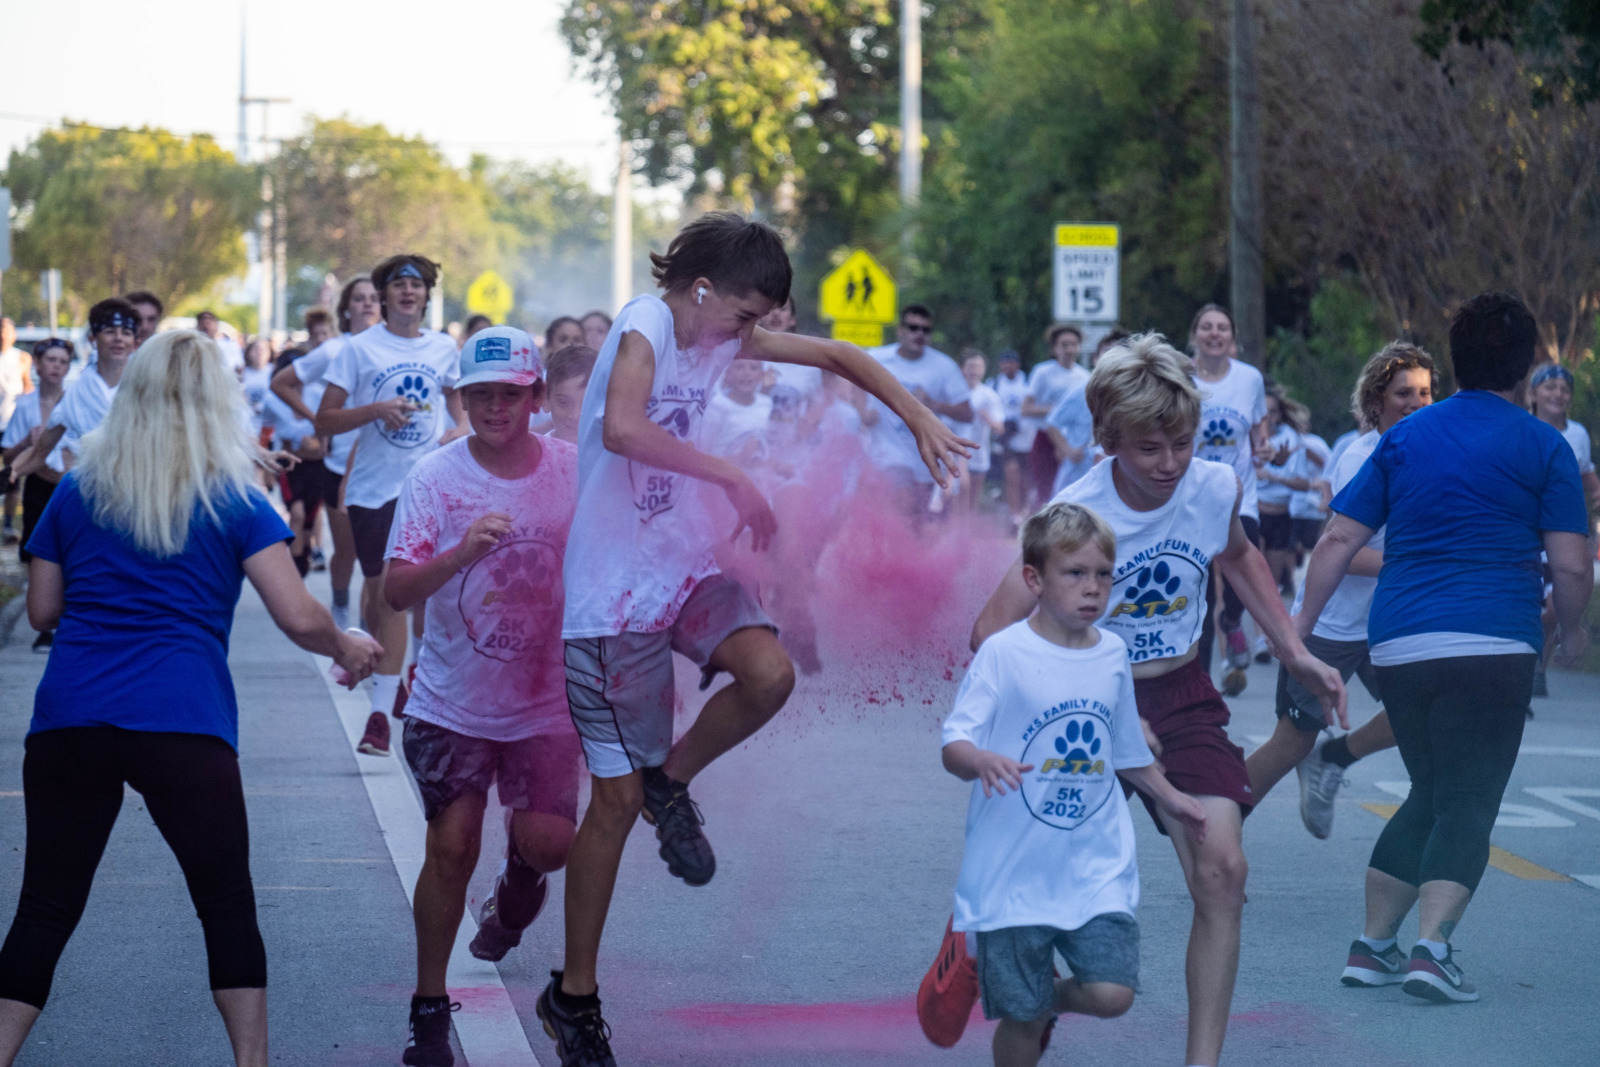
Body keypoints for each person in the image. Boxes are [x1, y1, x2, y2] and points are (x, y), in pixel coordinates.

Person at [540, 213, 969, 1067]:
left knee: (769, 675)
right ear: (702, 291)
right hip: (609, 592)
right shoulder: (648, 323)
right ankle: (574, 997)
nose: (753, 335)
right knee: (611, 808)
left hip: (682, 566)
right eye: (746, 315)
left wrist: (917, 415)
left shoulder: (716, 336)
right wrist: (732, 473)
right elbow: (624, 428)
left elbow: (841, 357)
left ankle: (673, 779)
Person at [955, 334, 1345, 1067]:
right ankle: (1017, 984)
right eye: (1149, 448)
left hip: (1182, 691)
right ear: (1107, 440)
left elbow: (1237, 553)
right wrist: (1093, 701)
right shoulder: (1075, 511)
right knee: (1040, 902)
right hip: (1079, 703)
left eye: (1183, 442)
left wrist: (1294, 649)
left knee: (1223, 868)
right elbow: (989, 633)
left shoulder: (1211, 485)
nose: (1170, 463)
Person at [0, 330, 382, 1067]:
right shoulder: (234, 496)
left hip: (72, 718)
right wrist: (347, 645)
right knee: (226, 905)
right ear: (218, 401)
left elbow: (43, 611)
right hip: (182, 719)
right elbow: (297, 613)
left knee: (43, 910)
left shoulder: (79, 489)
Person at [1299, 292, 1591, 1003]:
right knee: (1469, 799)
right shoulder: (1545, 445)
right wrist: (1573, 627)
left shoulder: (1407, 437)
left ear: (1454, 360)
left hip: (1399, 641)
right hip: (1493, 640)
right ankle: (1432, 949)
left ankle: (1372, 946)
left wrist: (1298, 632)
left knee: (1429, 791)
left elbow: (1339, 537)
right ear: (1524, 369)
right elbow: (1573, 565)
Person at [925, 501, 1207, 1063]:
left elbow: (1125, 749)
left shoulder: (1112, 655)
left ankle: (1034, 997)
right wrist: (980, 760)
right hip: (1011, 873)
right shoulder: (1005, 654)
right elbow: (954, 745)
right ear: (1034, 579)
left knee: (1112, 993)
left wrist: (1173, 799)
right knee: (1023, 1025)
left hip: (1092, 863)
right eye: (1075, 573)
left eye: (1103, 574)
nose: (1093, 588)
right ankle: (1011, 993)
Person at [381, 327, 581, 1067]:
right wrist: (461, 551)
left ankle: (520, 879)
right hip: (452, 700)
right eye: (480, 394)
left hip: (546, 706)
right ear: (461, 399)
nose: (496, 407)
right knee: (452, 844)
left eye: (511, 393)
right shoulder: (435, 478)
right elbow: (396, 588)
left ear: (534, 396)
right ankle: (429, 1010)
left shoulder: (571, 471)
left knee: (549, 844)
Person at [1243, 343, 1435, 841]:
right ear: (1376, 400)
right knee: (1291, 743)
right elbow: (1344, 551)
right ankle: (1217, 832)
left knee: (1422, 714)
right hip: (1332, 624)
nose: (1415, 402)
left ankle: (1336, 756)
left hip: (1390, 623)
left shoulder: (1433, 454)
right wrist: (1417, 563)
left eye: (1425, 392)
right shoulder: (1361, 457)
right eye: (1403, 393)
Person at [316, 255, 465, 757]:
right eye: (399, 285)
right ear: (383, 296)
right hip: (373, 490)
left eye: (416, 286)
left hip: (426, 486)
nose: (408, 293)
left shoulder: (444, 347)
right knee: (385, 595)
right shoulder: (360, 349)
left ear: (427, 296)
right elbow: (327, 419)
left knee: (421, 595)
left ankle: (395, 703)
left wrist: (458, 429)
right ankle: (381, 695)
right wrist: (376, 409)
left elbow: (458, 404)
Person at [271, 278, 381, 628]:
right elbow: (281, 383)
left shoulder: (395, 348)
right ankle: (340, 606)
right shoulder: (335, 349)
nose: (367, 304)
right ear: (346, 308)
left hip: (384, 464)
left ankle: (366, 629)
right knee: (346, 552)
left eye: (374, 298)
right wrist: (316, 421)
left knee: (377, 559)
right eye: (359, 299)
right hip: (338, 465)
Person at [1189, 304, 1269, 695]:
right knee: (1199, 595)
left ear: (1232, 339)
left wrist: (1264, 447)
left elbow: (1258, 426)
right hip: (1192, 499)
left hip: (1242, 498)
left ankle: (1233, 621)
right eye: (1207, 327)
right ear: (1194, 336)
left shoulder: (1249, 379)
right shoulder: (1181, 378)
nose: (1214, 333)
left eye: (1222, 327)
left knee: (1241, 579)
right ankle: (1201, 683)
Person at [1528, 362, 1600, 697]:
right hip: (1529, 532)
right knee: (1533, 603)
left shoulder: (1578, 435)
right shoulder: (1522, 428)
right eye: (1550, 387)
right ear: (1533, 393)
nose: (1558, 394)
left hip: (1565, 533)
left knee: (1557, 604)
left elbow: (1586, 474)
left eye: (1564, 388)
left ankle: (1536, 668)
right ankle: (1529, 667)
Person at [861, 304, 973, 510]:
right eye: (913, 328)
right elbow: (847, 381)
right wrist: (862, 411)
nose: (919, 334)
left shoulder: (943, 366)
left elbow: (967, 413)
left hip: (924, 457)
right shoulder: (877, 358)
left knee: (916, 522)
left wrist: (934, 404)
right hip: (886, 453)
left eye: (925, 329)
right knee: (902, 501)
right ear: (900, 330)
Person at [17, 299, 140, 480]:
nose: (118, 339)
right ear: (93, 340)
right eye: (110, 332)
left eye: (126, 333)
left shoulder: (146, 390)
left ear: (135, 343)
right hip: (87, 490)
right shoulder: (74, 396)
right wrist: (8, 475)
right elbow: (38, 453)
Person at [2, 339, 71, 651]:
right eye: (51, 360)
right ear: (38, 365)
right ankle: (44, 623)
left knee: (70, 550)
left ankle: (67, 616)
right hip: (39, 485)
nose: (57, 367)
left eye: (63, 361)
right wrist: (27, 445)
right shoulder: (26, 405)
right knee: (37, 549)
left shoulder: (76, 401)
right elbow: (8, 456)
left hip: (70, 484)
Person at [1043, 328, 1130, 497]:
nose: (1113, 358)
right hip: (1075, 480)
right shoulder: (1082, 392)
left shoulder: (1133, 396)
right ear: (1095, 359)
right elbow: (1052, 423)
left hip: (1112, 484)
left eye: (1120, 353)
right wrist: (1067, 449)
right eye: (1108, 352)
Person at [1021, 325, 1088, 503]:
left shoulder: (1084, 376)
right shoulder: (1043, 372)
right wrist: (1058, 409)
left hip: (1073, 442)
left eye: (1073, 344)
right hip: (1045, 438)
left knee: (1071, 493)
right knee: (1045, 492)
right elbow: (1026, 408)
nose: (1069, 349)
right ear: (1055, 348)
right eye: (1064, 344)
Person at [1255, 385, 1303, 598]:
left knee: (1270, 586)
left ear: (1280, 414)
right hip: (1255, 514)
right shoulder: (1248, 436)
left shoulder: (1291, 439)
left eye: (1272, 411)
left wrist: (1274, 475)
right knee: (1253, 580)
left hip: (1281, 516)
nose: (1268, 416)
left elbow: (1303, 484)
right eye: (1263, 411)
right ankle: (1240, 627)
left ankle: (1263, 632)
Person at [949, 351, 1005, 515]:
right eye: (970, 367)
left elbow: (1000, 428)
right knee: (954, 495)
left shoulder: (989, 396)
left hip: (978, 455)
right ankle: (952, 531)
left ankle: (967, 534)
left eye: (978, 367)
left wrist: (986, 417)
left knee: (971, 500)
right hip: (953, 453)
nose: (974, 371)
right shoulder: (952, 392)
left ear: (984, 370)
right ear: (962, 369)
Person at [988, 350, 1032, 529]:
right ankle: (1015, 517)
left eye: (1011, 362)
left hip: (1027, 437)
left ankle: (1025, 512)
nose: (1008, 366)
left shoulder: (1028, 383)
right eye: (1004, 363)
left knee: (1026, 480)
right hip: (1006, 438)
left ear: (1017, 364)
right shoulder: (995, 384)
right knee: (1011, 476)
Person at [0, 319, 34, 546]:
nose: (4, 334)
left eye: (7, 330)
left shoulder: (21, 358)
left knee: (12, 474)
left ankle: (9, 524)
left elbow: (28, 385)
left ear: (13, 334)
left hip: (11, 424)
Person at [701, 358, 773, 463]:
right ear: (728, 374)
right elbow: (702, 459)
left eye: (753, 368)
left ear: (761, 376)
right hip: (723, 476)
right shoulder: (717, 406)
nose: (746, 373)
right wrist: (740, 458)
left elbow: (766, 447)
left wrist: (776, 465)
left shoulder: (767, 403)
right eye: (739, 367)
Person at [544, 345, 597, 445]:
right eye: (564, 403)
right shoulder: (537, 456)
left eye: (587, 405)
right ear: (546, 399)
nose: (575, 416)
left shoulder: (614, 457)